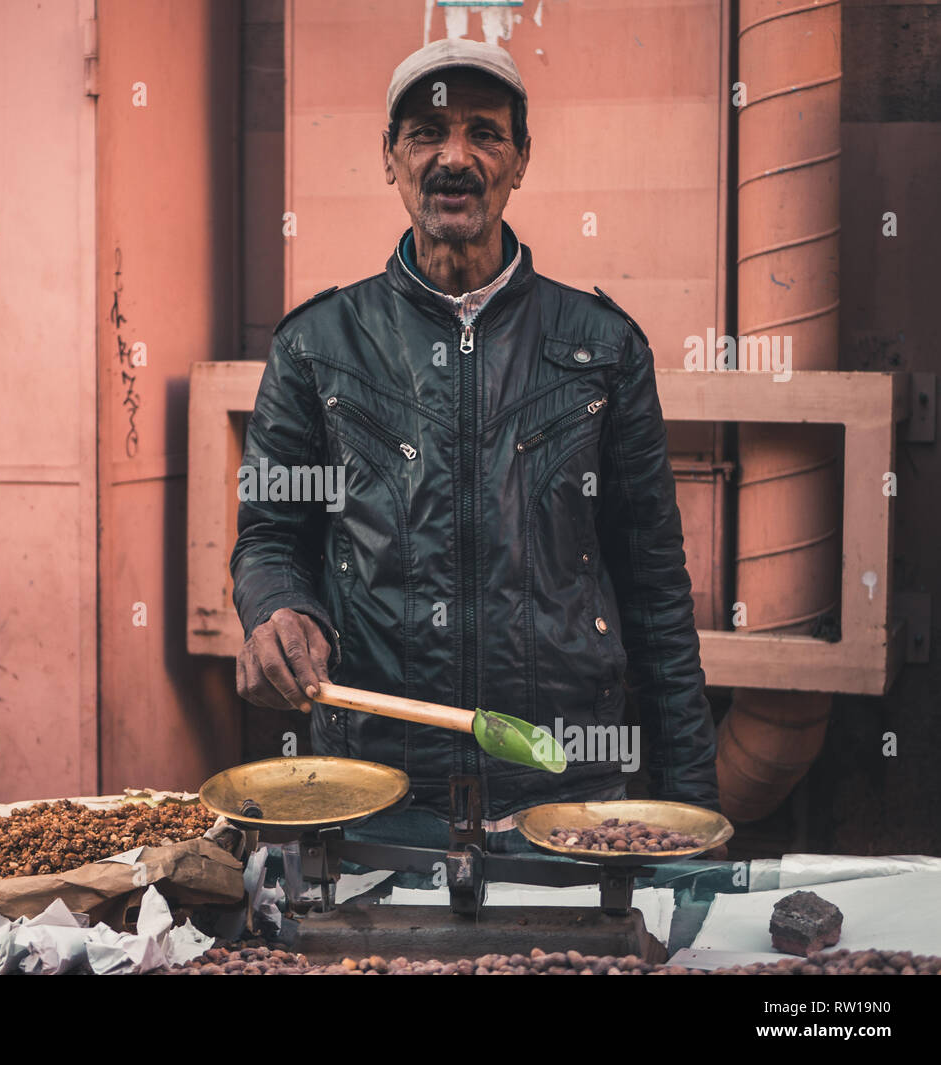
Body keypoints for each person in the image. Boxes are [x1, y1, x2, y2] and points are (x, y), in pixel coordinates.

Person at [230, 38, 720, 850]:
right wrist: (279, 606)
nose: (454, 157)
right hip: (373, 798)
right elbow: (272, 534)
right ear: (389, 157)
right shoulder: (318, 348)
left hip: (566, 802)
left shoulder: (603, 348)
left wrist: (693, 811)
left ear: (520, 159)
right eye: (426, 132)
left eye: (484, 133)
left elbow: (656, 591)